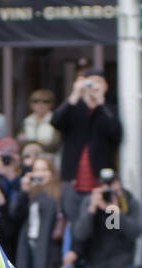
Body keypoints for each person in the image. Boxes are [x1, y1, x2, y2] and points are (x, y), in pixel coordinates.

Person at [51, 73, 122, 230]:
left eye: (99, 83)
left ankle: (107, 254)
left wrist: (101, 102)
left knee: (111, 225)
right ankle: (76, 253)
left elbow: (116, 134)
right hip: (73, 182)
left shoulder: (108, 109)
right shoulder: (74, 108)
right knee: (77, 227)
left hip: (102, 182)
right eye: (91, 83)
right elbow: (55, 122)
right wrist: (75, 94)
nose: (94, 87)